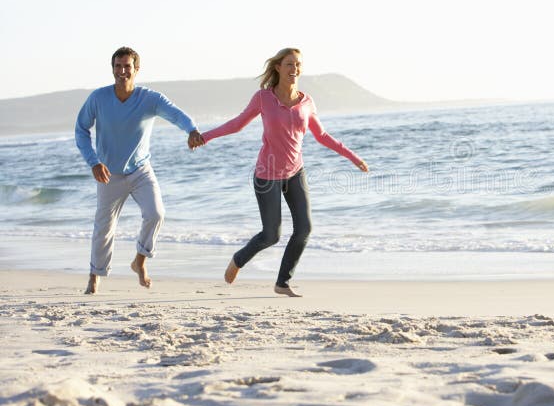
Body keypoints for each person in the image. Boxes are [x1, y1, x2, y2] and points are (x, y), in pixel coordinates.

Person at [194, 47, 368, 297]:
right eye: (289, 64)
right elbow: (237, 124)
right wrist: (206, 137)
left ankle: (282, 283)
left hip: (295, 173)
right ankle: (238, 259)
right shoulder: (264, 98)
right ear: (278, 67)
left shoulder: (306, 102)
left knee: (304, 229)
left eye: (298, 65)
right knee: (271, 235)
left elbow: (323, 136)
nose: (294, 69)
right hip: (267, 175)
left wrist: (353, 157)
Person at [75, 46, 204, 294]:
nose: (122, 71)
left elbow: (175, 114)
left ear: (136, 69)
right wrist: (93, 161)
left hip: (140, 170)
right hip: (108, 173)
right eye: (117, 66)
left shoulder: (149, 99)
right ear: (112, 69)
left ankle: (140, 261)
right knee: (104, 228)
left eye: (127, 67)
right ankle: (95, 275)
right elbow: (81, 130)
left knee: (156, 213)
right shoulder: (98, 98)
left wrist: (191, 130)